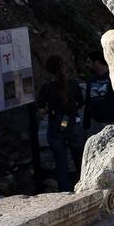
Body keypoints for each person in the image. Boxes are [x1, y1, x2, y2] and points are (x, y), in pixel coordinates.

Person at [38, 54, 82, 190]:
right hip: (73, 124)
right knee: (80, 159)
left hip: (56, 125)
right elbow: (81, 102)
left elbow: (40, 109)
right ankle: (86, 186)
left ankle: (65, 192)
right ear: (63, 66)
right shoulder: (74, 85)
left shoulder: (46, 88)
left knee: (60, 162)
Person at [81, 50, 114, 137]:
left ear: (97, 62)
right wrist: (86, 125)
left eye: (89, 62)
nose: (87, 65)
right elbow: (88, 103)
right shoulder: (91, 80)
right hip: (96, 123)